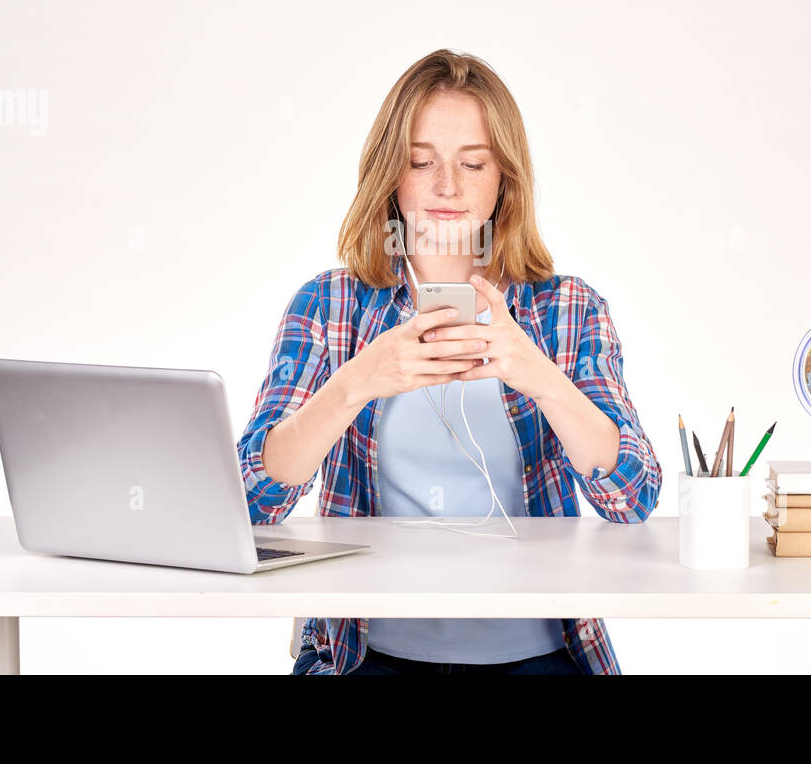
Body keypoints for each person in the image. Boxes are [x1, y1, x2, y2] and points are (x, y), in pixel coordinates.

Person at [237, 48, 661, 675]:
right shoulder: (329, 303)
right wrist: (355, 383)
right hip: (367, 657)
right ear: (390, 175)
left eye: (473, 163)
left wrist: (536, 373)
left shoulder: (566, 308)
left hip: (539, 657)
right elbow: (252, 499)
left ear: (503, 180)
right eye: (420, 161)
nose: (447, 187)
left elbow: (632, 496)